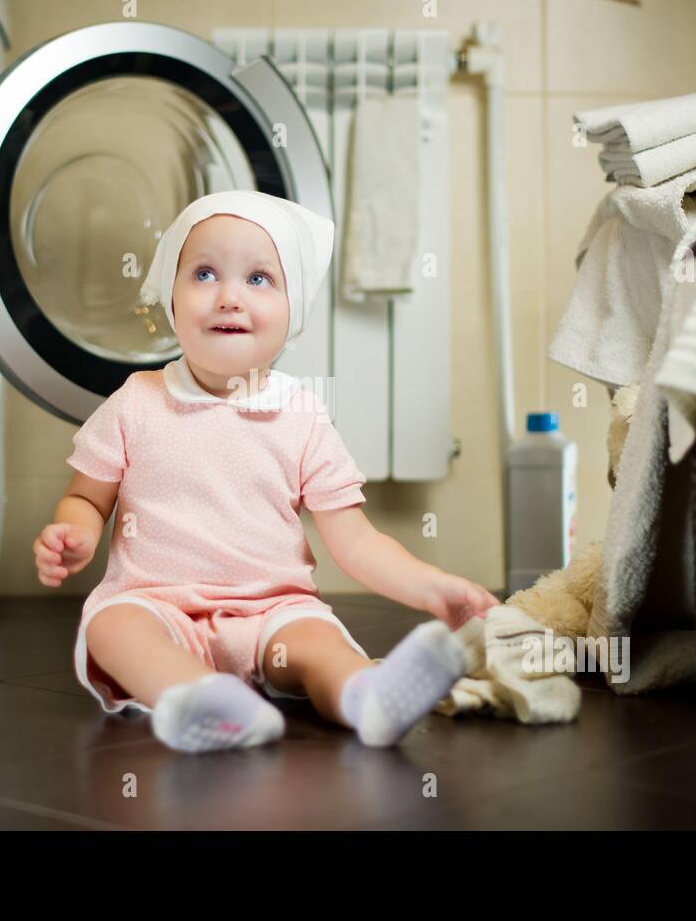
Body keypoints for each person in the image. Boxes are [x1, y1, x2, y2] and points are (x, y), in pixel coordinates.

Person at [33, 190, 500, 752]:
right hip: (158, 604)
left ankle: (364, 696)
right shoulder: (136, 402)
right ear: (172, 300)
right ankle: (199, 698)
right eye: (204, 273)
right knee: (113, 627)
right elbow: (88, 497)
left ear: (293, 311)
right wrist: (76, 532)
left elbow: (354, 541)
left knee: (319, 645)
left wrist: (434, 589)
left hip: (275, 612)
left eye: (258, 279)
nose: (229, 297)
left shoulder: (301, 416)